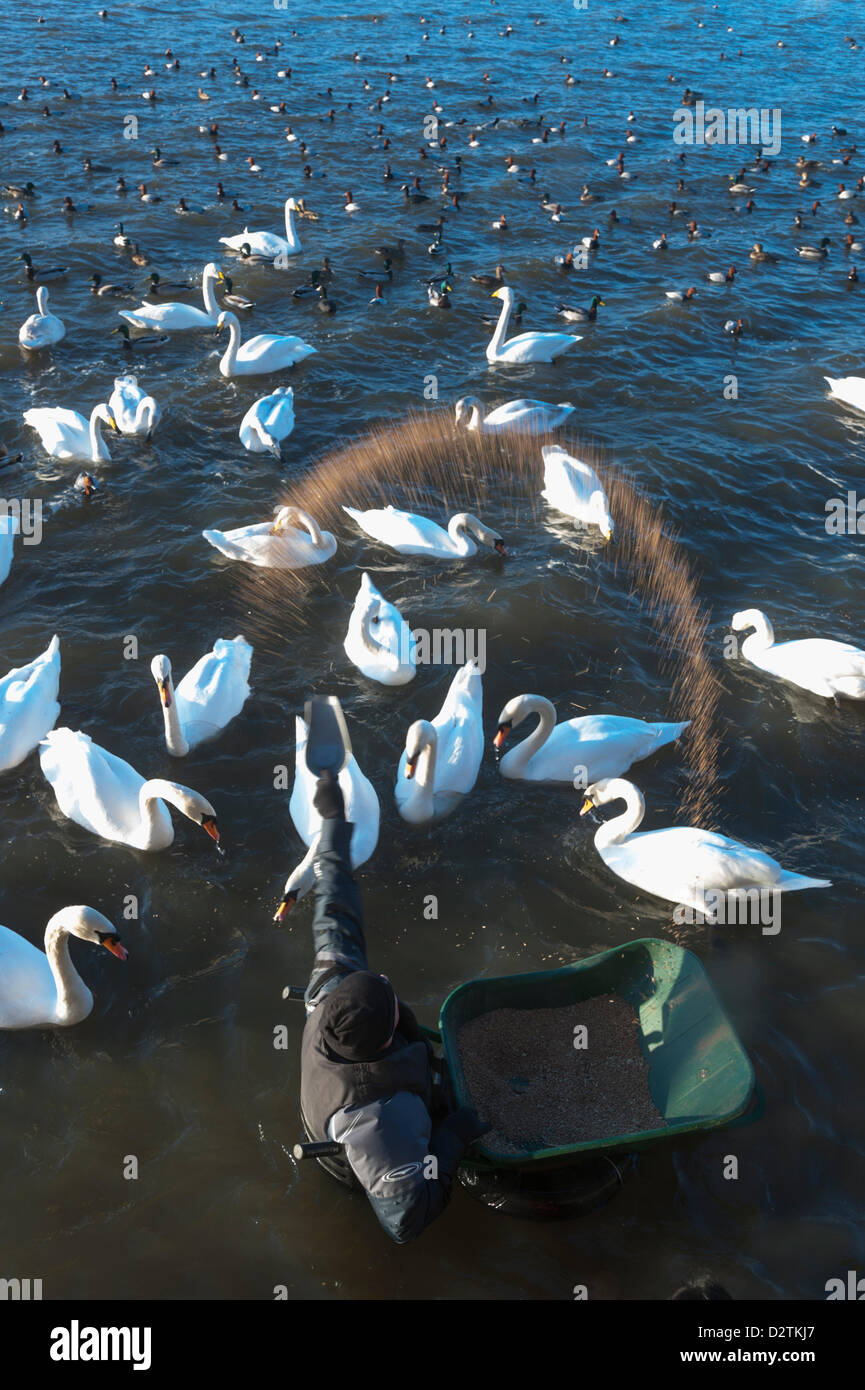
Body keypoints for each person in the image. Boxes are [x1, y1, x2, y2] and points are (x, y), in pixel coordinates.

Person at [298, 769, 489, 1243]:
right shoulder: (381, 1120)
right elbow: (405, 1223)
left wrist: (332, 823)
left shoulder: (327, 995)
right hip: (367, 1159)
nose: (383, 978)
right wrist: (452, 1139)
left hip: (358, 1100)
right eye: (385, 992)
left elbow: (333, 913)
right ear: (384, 1040)